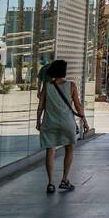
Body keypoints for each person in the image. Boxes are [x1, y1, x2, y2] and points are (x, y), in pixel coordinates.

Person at [36, 58, 87, 193]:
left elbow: (40, 106)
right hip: (67, 122)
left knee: (50, 150)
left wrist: (38, 121)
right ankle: (64, 180)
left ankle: (51, 183)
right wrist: (85, 121)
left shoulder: (47, 86)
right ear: (64, 71)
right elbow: (78, 106)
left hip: (49, 122)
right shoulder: (71, 85)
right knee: (69, 149)